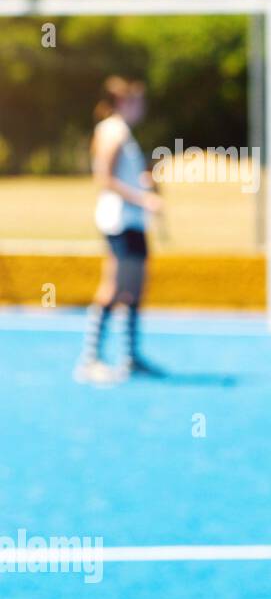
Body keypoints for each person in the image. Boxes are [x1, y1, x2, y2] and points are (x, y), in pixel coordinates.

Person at [75, 76, 166, 383]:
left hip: (133, 221)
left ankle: (130, 357)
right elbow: (104, 178)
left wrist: (145, 180)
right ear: (125, 101)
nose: (143, 107)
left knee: (135, 289)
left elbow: (125, 176)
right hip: (119, 221)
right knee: (114, 287)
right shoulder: (112, 131)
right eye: (139, 101)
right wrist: (144, 198)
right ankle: (89, 359)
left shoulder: (124, 132)